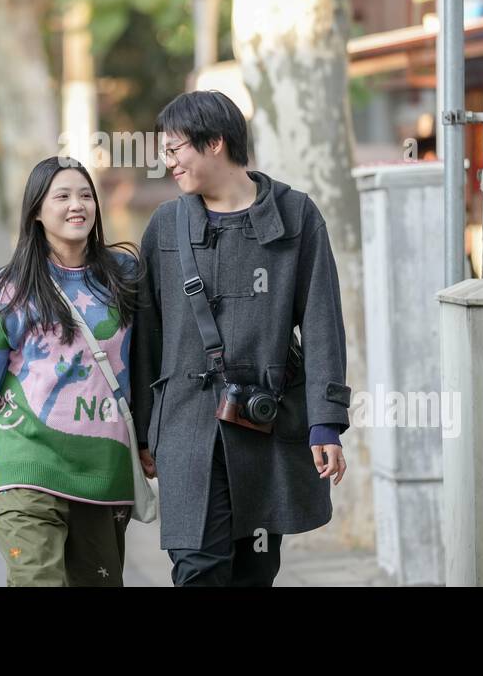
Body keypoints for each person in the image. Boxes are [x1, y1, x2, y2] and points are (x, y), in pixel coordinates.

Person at [132, 90, 351, 587]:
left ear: (214, 143)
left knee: (254, 572)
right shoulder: (166, 225)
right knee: (197, 569)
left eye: (175, 148)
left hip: (264, 426)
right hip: (186, 428)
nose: (169, 162)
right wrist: (144, 432)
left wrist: (326, 423)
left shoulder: (297, 216)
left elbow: (321, 325)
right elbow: (145, 336)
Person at [0, 157, 140, 587]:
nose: (78, 206)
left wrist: (151, 441)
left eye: (86, 195)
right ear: (36, 210)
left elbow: (147, 366)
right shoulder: (9, 287)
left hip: (104, 473)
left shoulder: (125, 277)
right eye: (63, 196)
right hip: (26, 467)